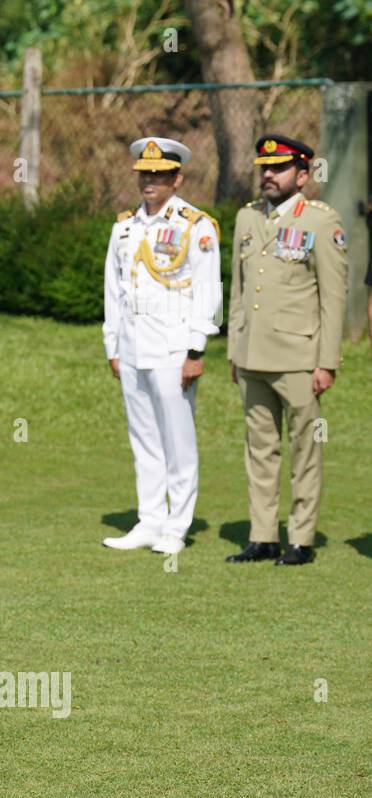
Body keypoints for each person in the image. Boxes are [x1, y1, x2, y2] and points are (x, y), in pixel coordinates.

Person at [226, 134, 348, 566]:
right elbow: (239, 290)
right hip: (252, 355)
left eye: (277, 169)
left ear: (303, 175)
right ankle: (263, 537)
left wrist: (326, 362)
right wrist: (233, 351)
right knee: (259, 448)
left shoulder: (320, 221)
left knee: (304, 449)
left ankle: (300, 538)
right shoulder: (247, 219)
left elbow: (333, 299)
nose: (268, 175)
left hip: (298, 358)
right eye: (264, 168)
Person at [102, 137, 222, 555]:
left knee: (177, 440)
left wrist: (196, 349)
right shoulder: (125, 227)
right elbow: (114, 291)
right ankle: (149, 520)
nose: (150, 180)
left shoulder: (196, 225)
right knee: (144, 438)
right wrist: (112, 346)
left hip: (173, 348)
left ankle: (176, 526)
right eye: (144, 174)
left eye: (159, 174)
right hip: (133, 347)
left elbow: (208, 291)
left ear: (177, 178)